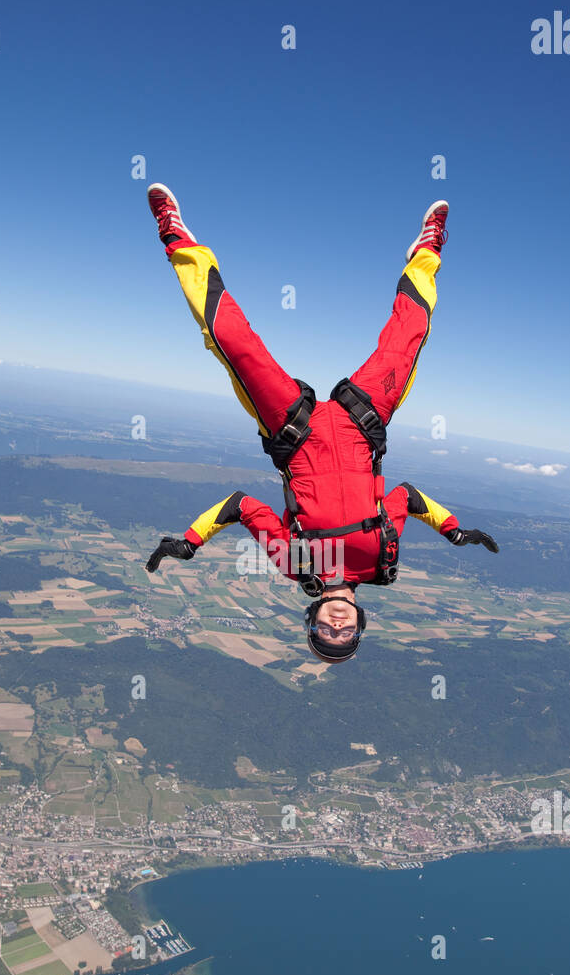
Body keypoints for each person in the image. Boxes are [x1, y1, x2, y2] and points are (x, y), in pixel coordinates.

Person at [145, 184, 498, 664]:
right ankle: (426, 253)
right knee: (408, 340)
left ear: (310, 618)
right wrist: (453, 530)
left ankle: (178, 241)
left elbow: (240, 506)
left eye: (325, 634)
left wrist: (189, 542)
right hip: (361, 426)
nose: (336, 628)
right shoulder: (382, 564)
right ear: (359, 624)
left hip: (295, 433)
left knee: (232, 342)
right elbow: (406, 498)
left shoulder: (297, 565)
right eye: (344, 636)